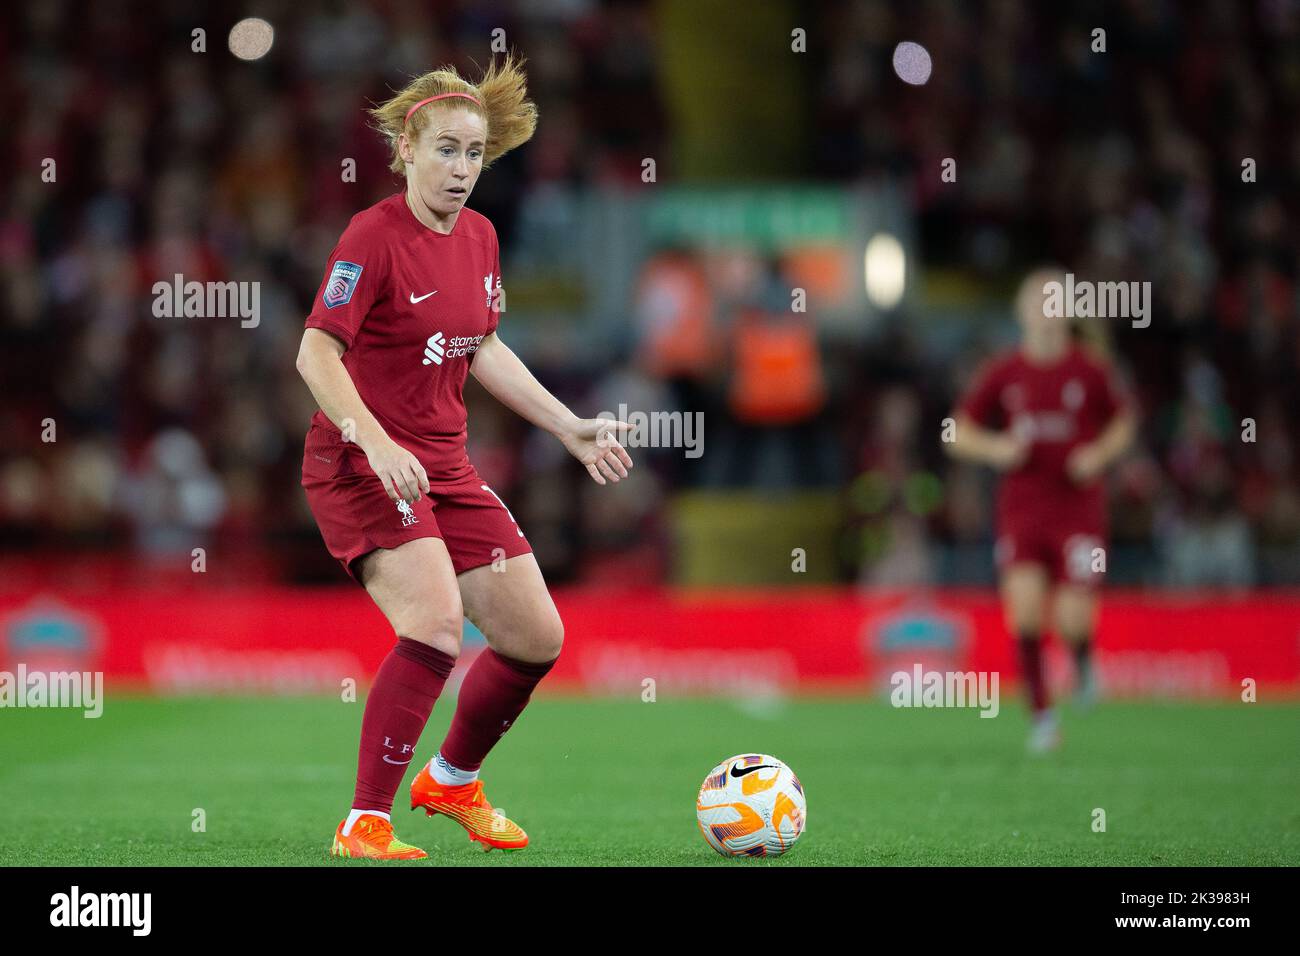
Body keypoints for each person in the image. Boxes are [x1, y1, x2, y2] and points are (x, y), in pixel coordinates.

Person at [295, 55, 633, 859]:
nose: (461, 169)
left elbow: (480, 347)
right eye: (445, 150)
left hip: (445, 466)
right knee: (437, 625)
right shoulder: (371, 236)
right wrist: (374, 443)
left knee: (535, 637)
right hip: (361, 464)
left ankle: (450, 780)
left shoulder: (480, 237)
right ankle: (364, 822)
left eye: (474, 153)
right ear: (408, 149)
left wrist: (568, 426)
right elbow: (314, 355)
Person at [946, 269, 1135, 752]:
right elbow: (955, 432)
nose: (1048, 310)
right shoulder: (1005, 372)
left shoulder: (1090, 370)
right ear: (1022, 312)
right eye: (1039, 301)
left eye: (1057, 301)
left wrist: (1097, 456)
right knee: (1026, 616)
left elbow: (1124, 423)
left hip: (1079, 511)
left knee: (1073, 618)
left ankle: (1083, 661)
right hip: (1022, 510)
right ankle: (1043, 719)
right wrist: (997, 449)